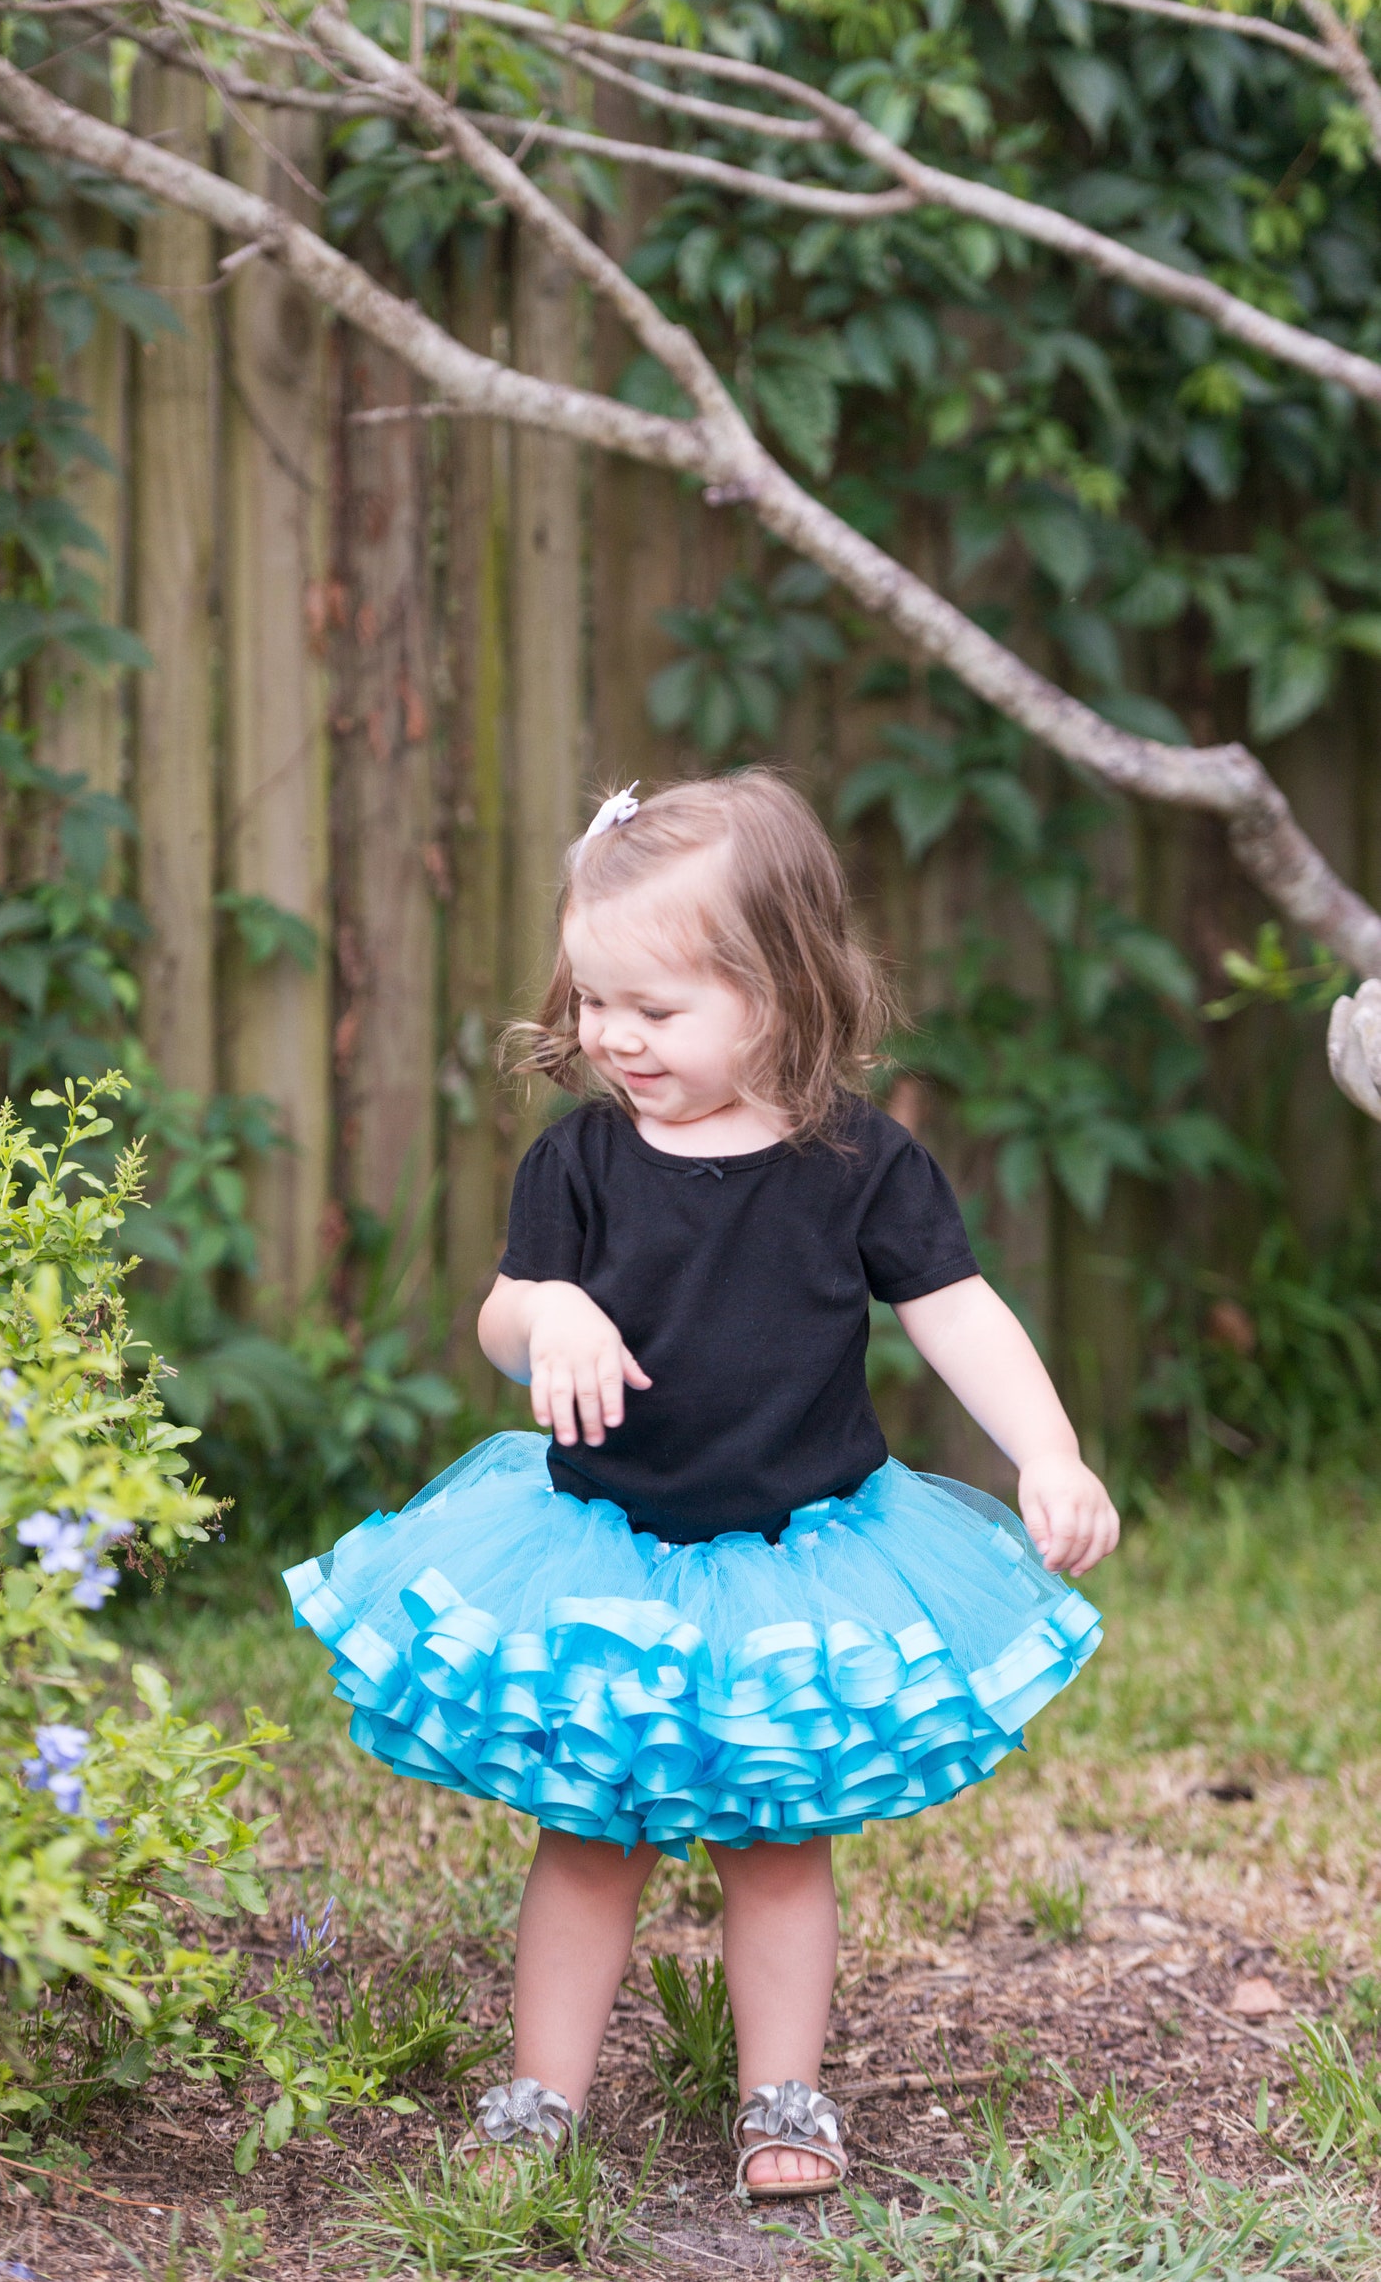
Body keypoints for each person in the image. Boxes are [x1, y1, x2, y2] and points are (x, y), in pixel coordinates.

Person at [284, 770, 1118, 2200]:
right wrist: (549, 1314)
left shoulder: (858, 1162)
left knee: (779, 1845)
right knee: (588, 1839)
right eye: (594, 1000)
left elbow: (957, 1311)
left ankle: (784, 2096)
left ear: (779, 994)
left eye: (655, 1010)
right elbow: (503, 1315)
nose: (613, 1036)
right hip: (604, 1552)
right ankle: (540, 2097)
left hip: (800, 1558)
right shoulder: (583, 1160)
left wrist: (1047, 1450)